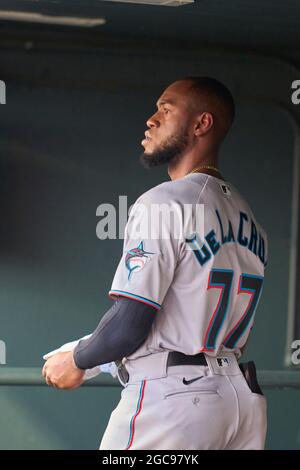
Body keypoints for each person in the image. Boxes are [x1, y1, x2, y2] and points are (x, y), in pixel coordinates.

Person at [42, 77, 268, 450]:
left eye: (166, 109)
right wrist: (91, 353)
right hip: (238, 401)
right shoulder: (250, 219)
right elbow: (178, 318)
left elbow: (129, 325)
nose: (151, 119)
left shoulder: (164, 202)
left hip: (176, 400)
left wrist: (80, 360)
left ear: (201, 124)